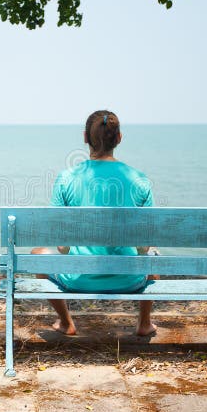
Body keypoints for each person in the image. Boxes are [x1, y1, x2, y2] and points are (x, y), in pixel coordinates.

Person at [34, 109, 158, 337]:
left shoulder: (66, 178)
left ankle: (65, 323)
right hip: (129, 280)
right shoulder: (139, 179)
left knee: (37, 253)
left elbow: (63, 248)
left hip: (78, 280)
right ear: (119, 138)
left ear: (84, 137)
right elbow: (144, 248)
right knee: (155, 256)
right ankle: (144, 323)